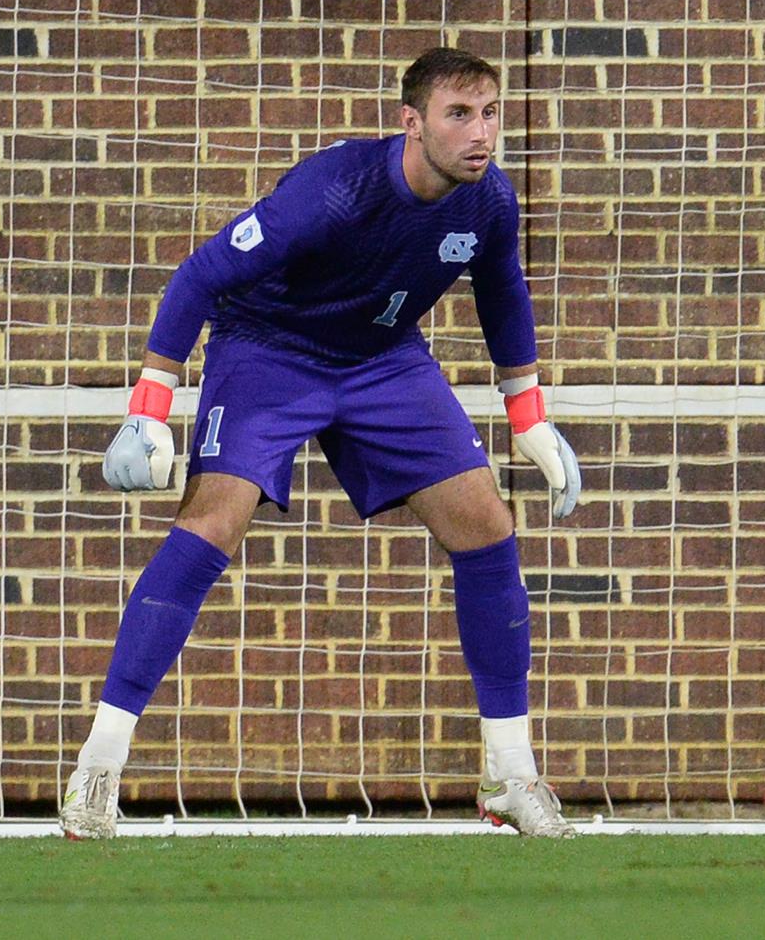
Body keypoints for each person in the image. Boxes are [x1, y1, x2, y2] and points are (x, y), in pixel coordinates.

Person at [59, 46, 582, 841]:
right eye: (459, 115)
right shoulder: (333, 191)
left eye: (491, 114)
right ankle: (98, 767)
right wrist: (148, 407)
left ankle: (511, 773)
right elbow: (199, 276)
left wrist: (529, 416)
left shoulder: (490, 202)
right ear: (411, 123)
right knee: (212, 525)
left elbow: (503, 292)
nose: (482, 133)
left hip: (383, 358)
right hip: (270, 348)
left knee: (487, 526)